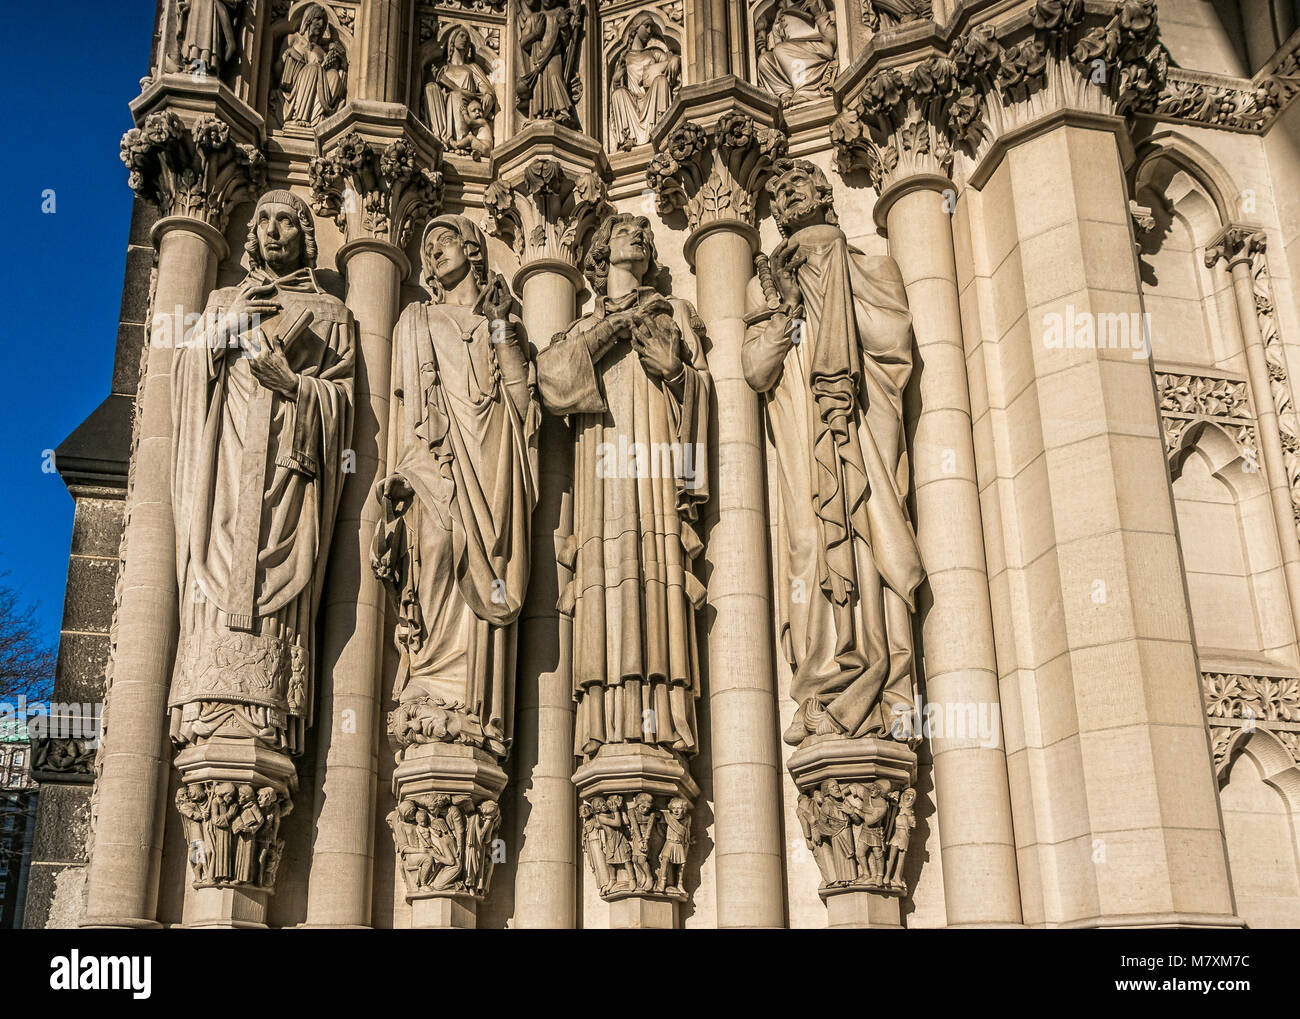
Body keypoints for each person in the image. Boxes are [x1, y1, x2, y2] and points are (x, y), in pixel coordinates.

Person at [169, 190, 354, 759]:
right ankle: (206, 711)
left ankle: (266, 717)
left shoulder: (332, 316)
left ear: (306, 233)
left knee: (280, 582)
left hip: (289, 489)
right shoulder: (228, 298)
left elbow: (343, 406)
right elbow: (180, 384)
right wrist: (225, 328)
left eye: (287, 221)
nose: (273, 231)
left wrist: (296, 385)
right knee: (216, 580)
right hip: (222, 476)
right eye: (264, 220)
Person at [744, 158, 923, 749]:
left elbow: (893, 352)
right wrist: (790, 307)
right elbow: (757, 370)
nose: (788, 194)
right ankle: (820, 685)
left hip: (860, 427)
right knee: (808, 546)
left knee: (869, 537)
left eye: (799, 184)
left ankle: (888, 687)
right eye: (777, 190)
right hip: (799, 427)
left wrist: (834, 305)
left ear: (824, 192)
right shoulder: (763, 286)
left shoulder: (875, 269)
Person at [536, 213, 710, 759]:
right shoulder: (583, 328)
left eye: (644, 233)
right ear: (598, 252)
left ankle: (666, 716)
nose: (638, 236)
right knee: (606, 584)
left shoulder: (675, 311)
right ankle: (606, 721)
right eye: (622, 232)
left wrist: (678, 375)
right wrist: (613, 327)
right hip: (601, 477)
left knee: (655, 582)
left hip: (655, 470)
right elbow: (552, 383)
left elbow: (702, 392)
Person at [373, 216, 537, 760]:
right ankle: (430, 677)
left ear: (472, 248)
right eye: (427, 245)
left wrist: (500, 329)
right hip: (433, 460)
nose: (435, 250)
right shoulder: (414, 319)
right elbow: (404, 411)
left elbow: (521, 400)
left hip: (492, 456)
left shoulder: (500, 319)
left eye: (445, 240)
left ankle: (472, 699)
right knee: (436, 550)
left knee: (481, 560)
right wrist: (397, 470)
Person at [608, 13, 679, 150]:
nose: (649, 31)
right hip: (633, 103)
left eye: (651, 27)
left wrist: (676, 59)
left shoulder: (654, 52)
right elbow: (618, 88)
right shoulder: (625, 58)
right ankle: (627, 137)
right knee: (618, 94)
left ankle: (662, 128)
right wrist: (616, 80)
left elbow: (670, 59)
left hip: (651, 99)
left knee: (661, 80)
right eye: (646, 26)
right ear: (635, 29)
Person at [277, 4, 347, 127]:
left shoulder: (320, 50)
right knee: (313, 68)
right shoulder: (292, 39)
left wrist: (342, 61)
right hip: (294, 88)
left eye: (324, 22)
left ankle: (317, 119)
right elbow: (276, 72)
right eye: (318, 19)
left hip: (317, 92)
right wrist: (286, 55)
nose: (321, 24)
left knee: (334, 74)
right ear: (308, 19)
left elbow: (330, 74)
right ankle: (301, 117)